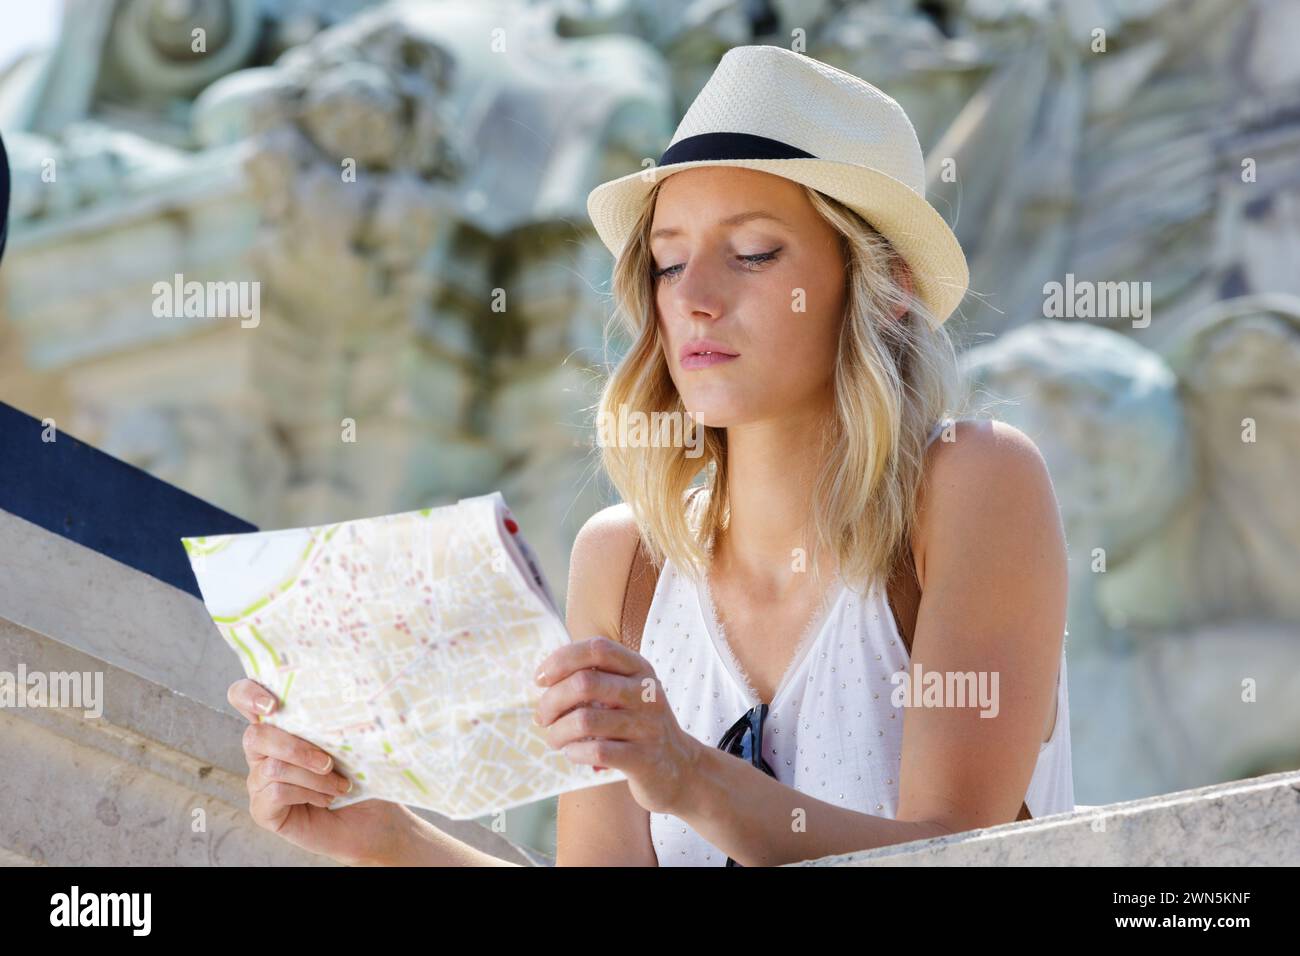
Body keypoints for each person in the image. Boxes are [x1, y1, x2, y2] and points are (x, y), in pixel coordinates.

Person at [227, 44, 1072, 866]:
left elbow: (965, 853)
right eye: (669, 262)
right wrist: (389, 839)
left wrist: (686, 771)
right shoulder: (624, 561)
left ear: (886, 286)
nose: (695, 299)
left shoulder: (975, 480)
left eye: (752, 254)